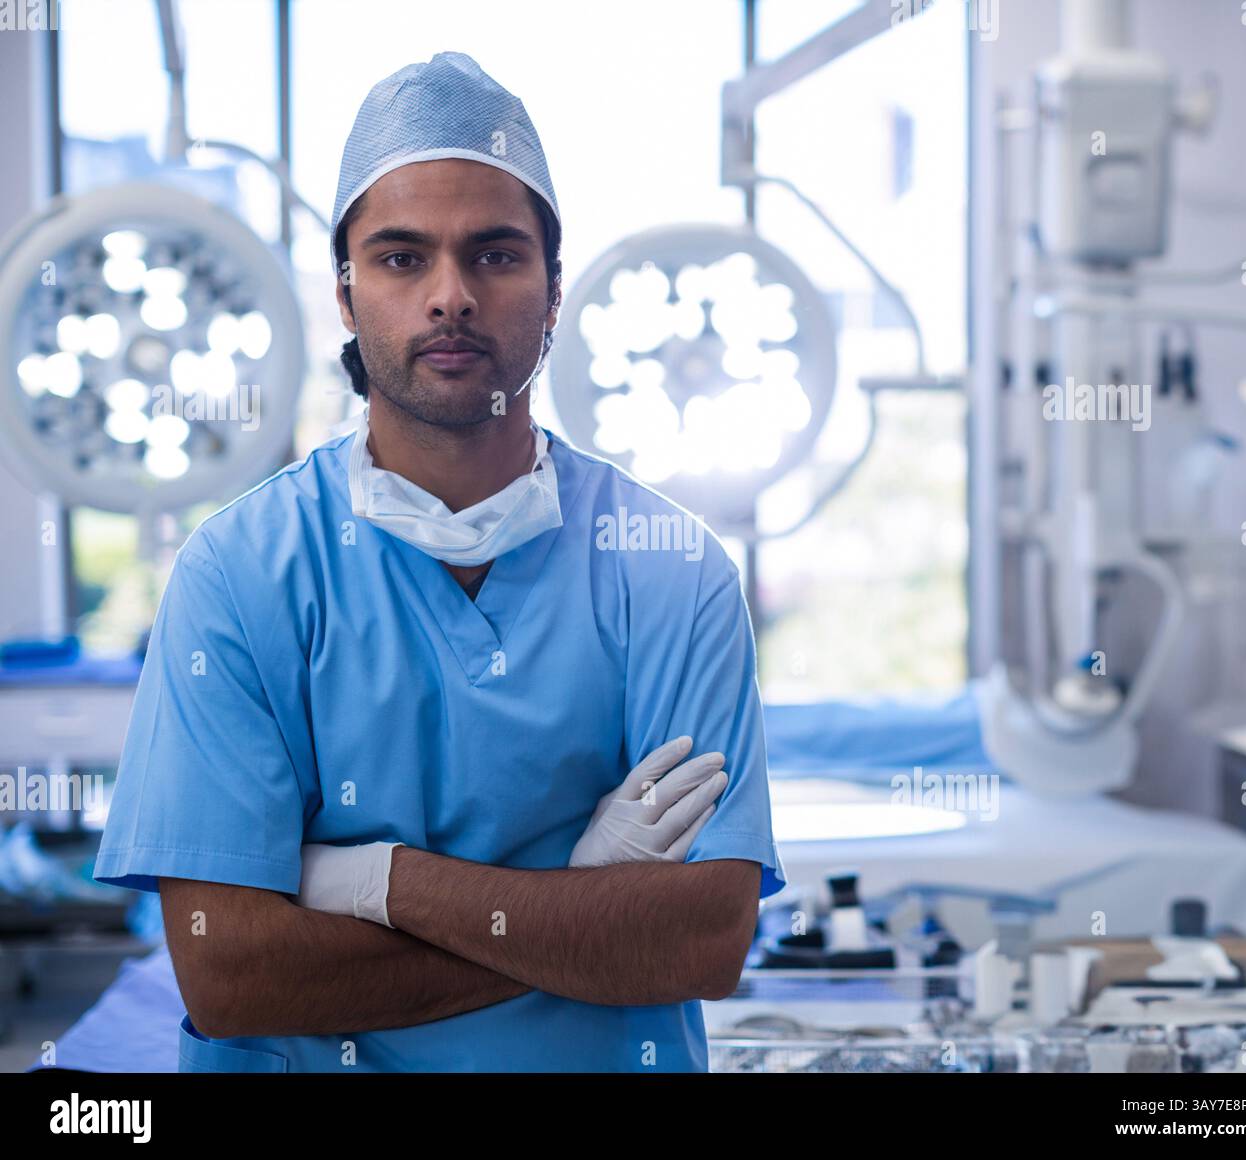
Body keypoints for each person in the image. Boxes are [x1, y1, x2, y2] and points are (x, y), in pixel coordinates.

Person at [93, 51, 786, 1073]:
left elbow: (700, 939)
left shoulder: (669, 571)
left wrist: (370, 881)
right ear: (345, 293)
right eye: (402, 257)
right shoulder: (240, 575)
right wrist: (580, 905)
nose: (450, 296)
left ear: (554, 289)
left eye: (497, 255)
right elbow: (231, 975)